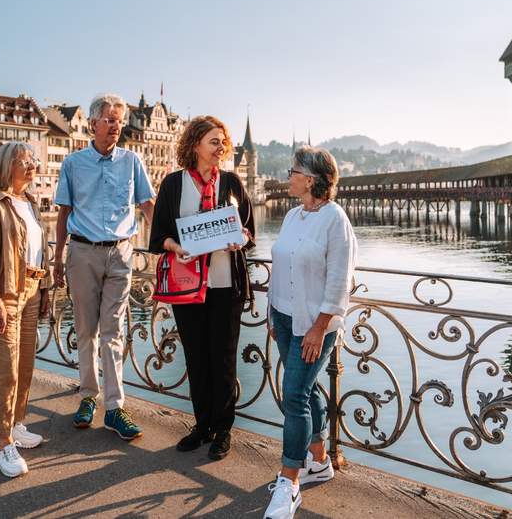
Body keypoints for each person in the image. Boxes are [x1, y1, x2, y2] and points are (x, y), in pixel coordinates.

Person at [149, 116, 256, 461]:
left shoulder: (232, 183)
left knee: (223, 360)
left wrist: (240, 239)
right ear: (195, 144)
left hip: (225, 285)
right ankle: (201, 425)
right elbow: (159, 234)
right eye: (214, 141)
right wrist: (176, 247)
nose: (221, 148)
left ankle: (223, 429)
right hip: (187, 286)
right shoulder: (173, 184)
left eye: (223, 142)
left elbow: (249, 230)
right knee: (196, 358)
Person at [52, 93, 155, 441]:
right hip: (82, 252)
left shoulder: (132, 160)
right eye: (110, 120)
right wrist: (57, 258)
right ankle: (87, 397)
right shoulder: (72, 163)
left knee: (113, 331)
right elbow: (63, 214)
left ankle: (114, 407)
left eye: (119, 121)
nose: (116, 126)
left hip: (121, 254)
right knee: (85, 330)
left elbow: (147, 205)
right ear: (94, 123)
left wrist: (164, 247)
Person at [263, 146, 357, 519]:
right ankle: (318, 460)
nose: (288, 175)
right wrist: (272, 315)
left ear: (312, 179)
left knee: (294, 396)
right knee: (305, 389)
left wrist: (319, 329)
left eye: (294, 170)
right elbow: (281, 266)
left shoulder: (336, 220)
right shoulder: (292, 216)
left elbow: (339, 282)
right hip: (285, 318)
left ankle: (289, 482)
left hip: (314, 324)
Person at [0, 141, 52, 478]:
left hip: (32, 289)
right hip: (5, 291)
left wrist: (45, 288)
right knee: (2, 368)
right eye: (25, 161)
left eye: (34, 160)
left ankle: (16, 423)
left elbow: (38, 252)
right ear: (8, 166)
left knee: (24, 364)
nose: (33, 166)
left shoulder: (29, 204)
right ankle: (2, 441)